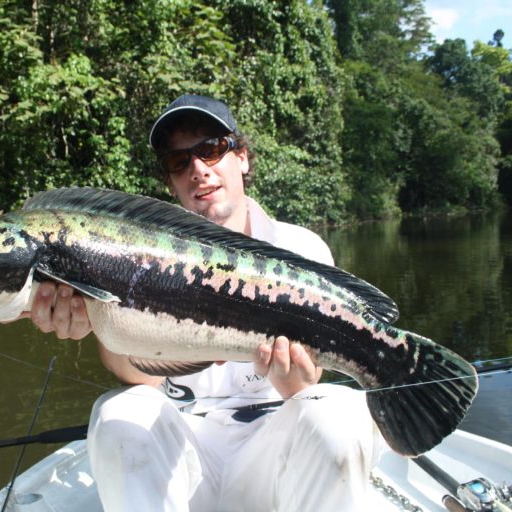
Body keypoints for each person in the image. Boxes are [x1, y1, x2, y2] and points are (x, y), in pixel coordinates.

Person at [29, 95, 385, 511]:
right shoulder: (134, 254)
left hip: (270, 453)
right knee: (118, 412)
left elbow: (306, 390)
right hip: (185, 453)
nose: (198, 169)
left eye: (212, 149)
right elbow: (140, 380)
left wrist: (293, 378)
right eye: (178, 162)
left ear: (243, 158)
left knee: (338, 410)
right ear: (170, 181)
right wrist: (96, 323)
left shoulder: (301, 249)